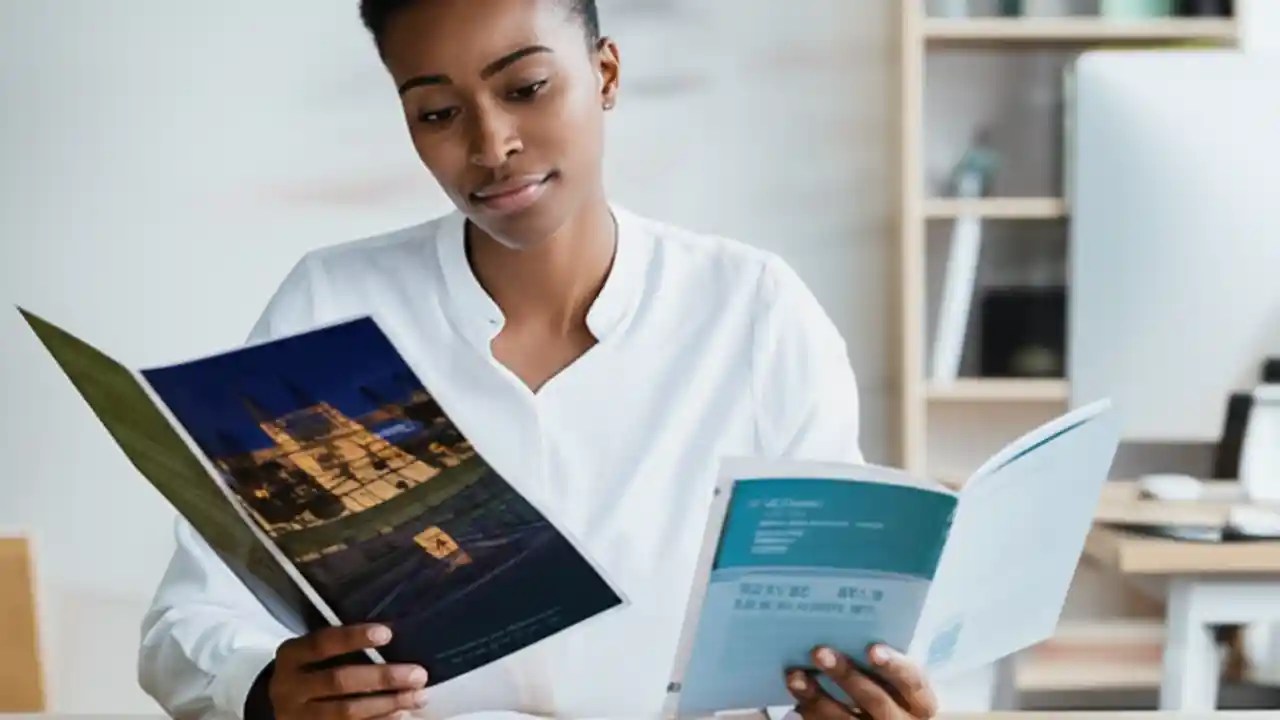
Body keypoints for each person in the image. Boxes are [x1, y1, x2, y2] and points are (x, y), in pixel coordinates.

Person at [137, 1, 940, 719]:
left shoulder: (755, 310)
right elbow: (190, 622)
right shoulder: (331, 304)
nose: (492, 146)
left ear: (606, 73)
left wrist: (855, 698)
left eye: (525, 89)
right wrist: (268, 692)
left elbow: (836, 626)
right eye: (438, 111)